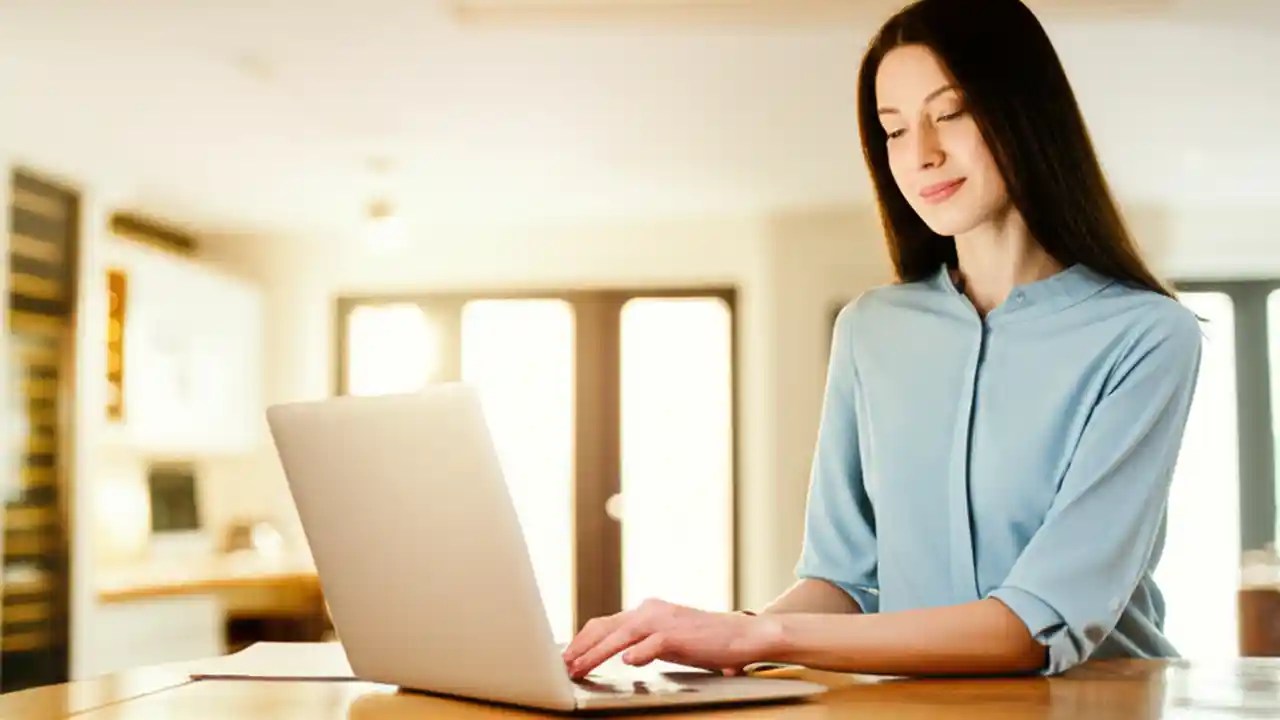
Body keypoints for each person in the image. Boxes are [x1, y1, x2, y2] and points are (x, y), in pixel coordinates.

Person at [561, 0, 1202, 678]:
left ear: (1025, 113)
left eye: (950, 114)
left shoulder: (1146, 336)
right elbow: (844, 582)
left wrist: (759, 637)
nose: (922, 154)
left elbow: (1036, 627)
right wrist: (719, 641)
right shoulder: (870, 330)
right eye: (894, 129)